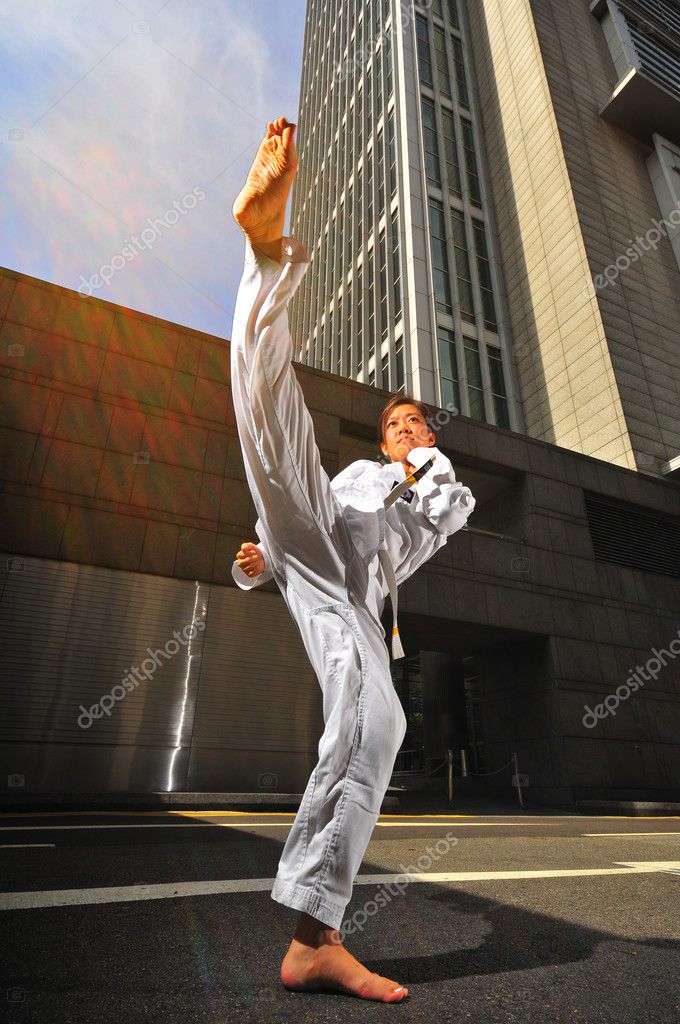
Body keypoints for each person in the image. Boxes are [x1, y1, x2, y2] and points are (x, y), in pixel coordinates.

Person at [230, 115, 476, 1003]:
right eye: (396, 425)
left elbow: (440, 516)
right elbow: (313, 510)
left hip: (355, 601)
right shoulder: (365, 472)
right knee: (269, 419)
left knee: (377, 728)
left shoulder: (437, 483)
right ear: (380, 440)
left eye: (416, 424)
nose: (406, 431)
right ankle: (266, 254)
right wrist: (267, 559)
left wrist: (423, 462)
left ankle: (314, 938)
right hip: (318, 550)